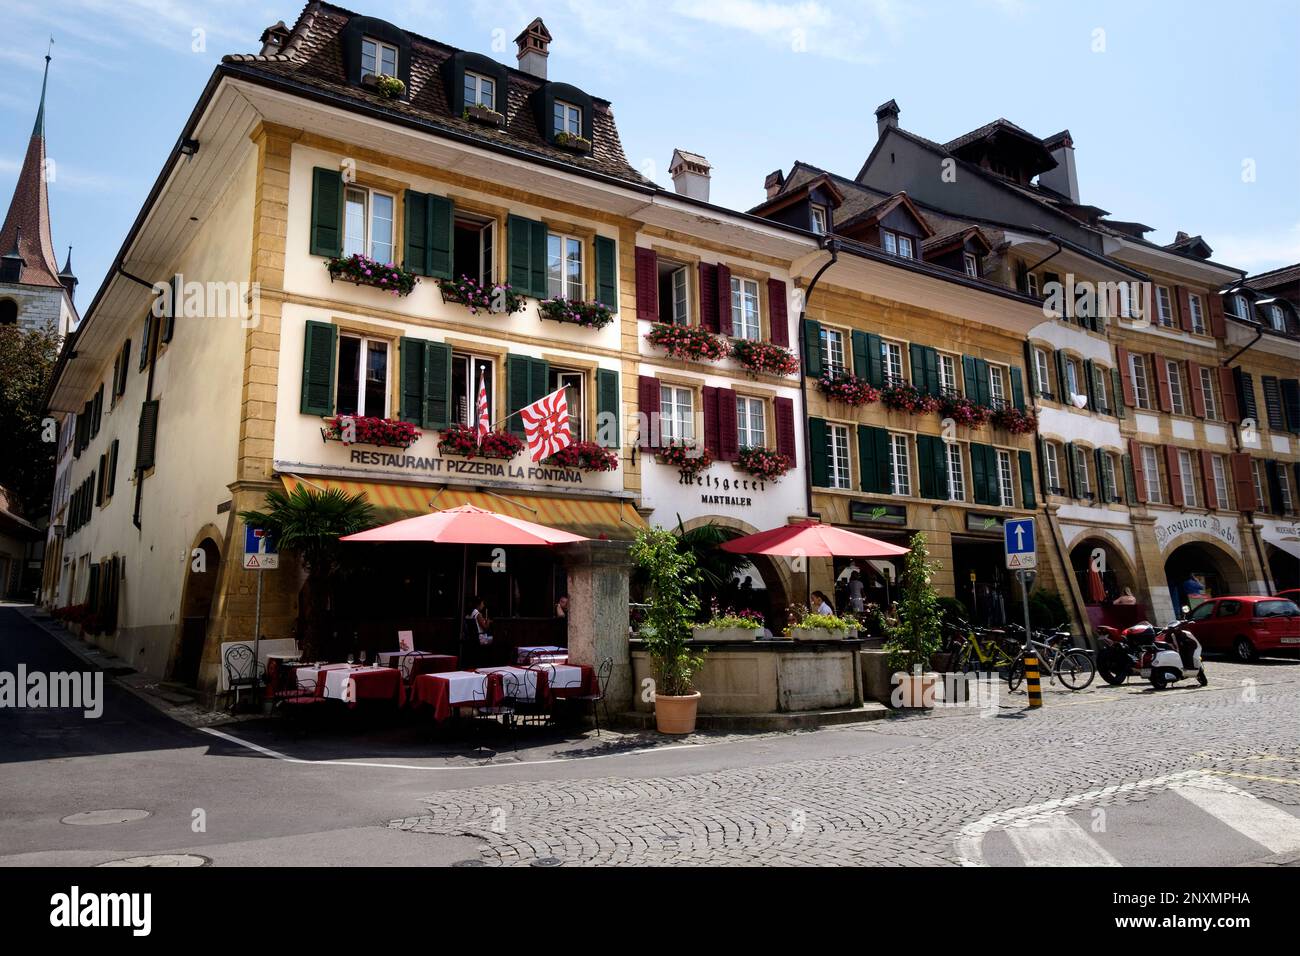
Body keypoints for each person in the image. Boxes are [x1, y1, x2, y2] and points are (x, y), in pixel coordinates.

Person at [463, 596, 492, 668]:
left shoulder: (469, 613)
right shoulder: (478, 614)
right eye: (482, 603)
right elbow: (485, 628)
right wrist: (488, 621)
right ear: (478, 604)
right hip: (479, 638)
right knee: (493, 640)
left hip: (471, 638)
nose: (483, 605)